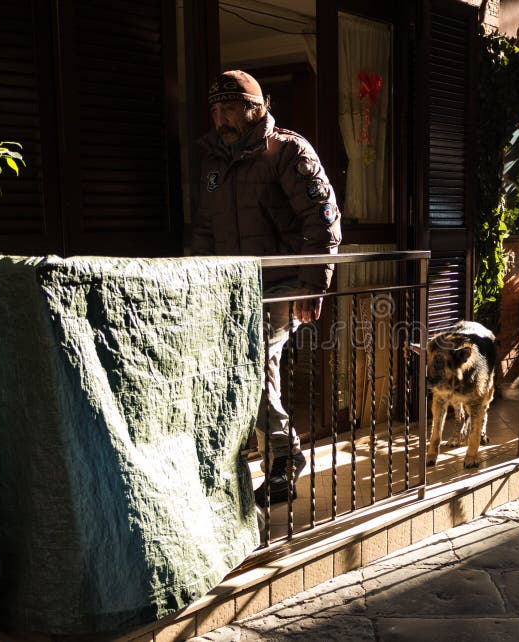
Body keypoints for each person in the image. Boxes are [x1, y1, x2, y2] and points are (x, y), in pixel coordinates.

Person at [192, 70, 341, 507]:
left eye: (229, 108)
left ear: (255, 108)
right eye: (215, 109)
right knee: (254, 373)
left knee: (251, 370)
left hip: (281, 286)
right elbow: (205, 227)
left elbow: (323, 220)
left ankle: (282, 458)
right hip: (230, 289)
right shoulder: (213, 159)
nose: (220, 118)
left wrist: (313, 287)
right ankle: (283, 458)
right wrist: (198, 281)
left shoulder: (289, 151)